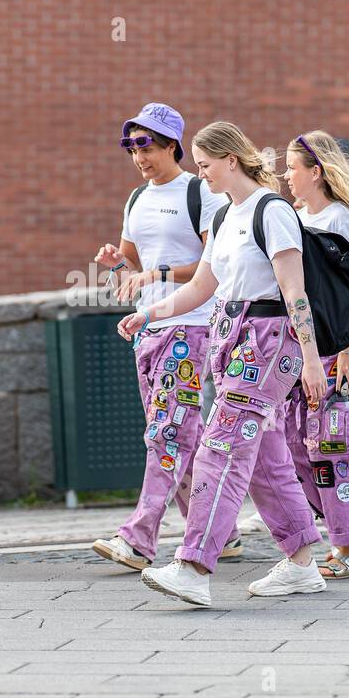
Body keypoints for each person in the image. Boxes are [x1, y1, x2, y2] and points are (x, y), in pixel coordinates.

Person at [120, 121, 328, 607]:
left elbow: (295, 293)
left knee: (221, 447)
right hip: (231, 337)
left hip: (269, 340)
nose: (200, 174)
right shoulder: (227, 215)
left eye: (205, 164)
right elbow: (201, 287)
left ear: (230, 160)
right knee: (265, 457)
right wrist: (148, 313)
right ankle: (301, 563)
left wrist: (313, 361)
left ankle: (194, 565)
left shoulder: (271, 212)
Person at [90, 102, 242, 570]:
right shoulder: (136, 200)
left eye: (148, 144)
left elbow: (213, 266)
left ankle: (138, 539)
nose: (140, 154)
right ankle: (225, 532)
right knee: (177, 437)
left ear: (173, 144)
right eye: (132, 145)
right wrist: (117, 264)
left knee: (167, 434)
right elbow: (132, 272)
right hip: (149, 327)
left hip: (193, 327)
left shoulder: (201, 193)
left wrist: (154, 272)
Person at [274, 130, 349, 578]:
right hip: (307, 350)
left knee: (329, 444)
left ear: (316, 172)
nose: (286, 175)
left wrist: (347, 349)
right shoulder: (295, 217)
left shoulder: (343, 220)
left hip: (343, 348)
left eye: (292, 167)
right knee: (295, 447)